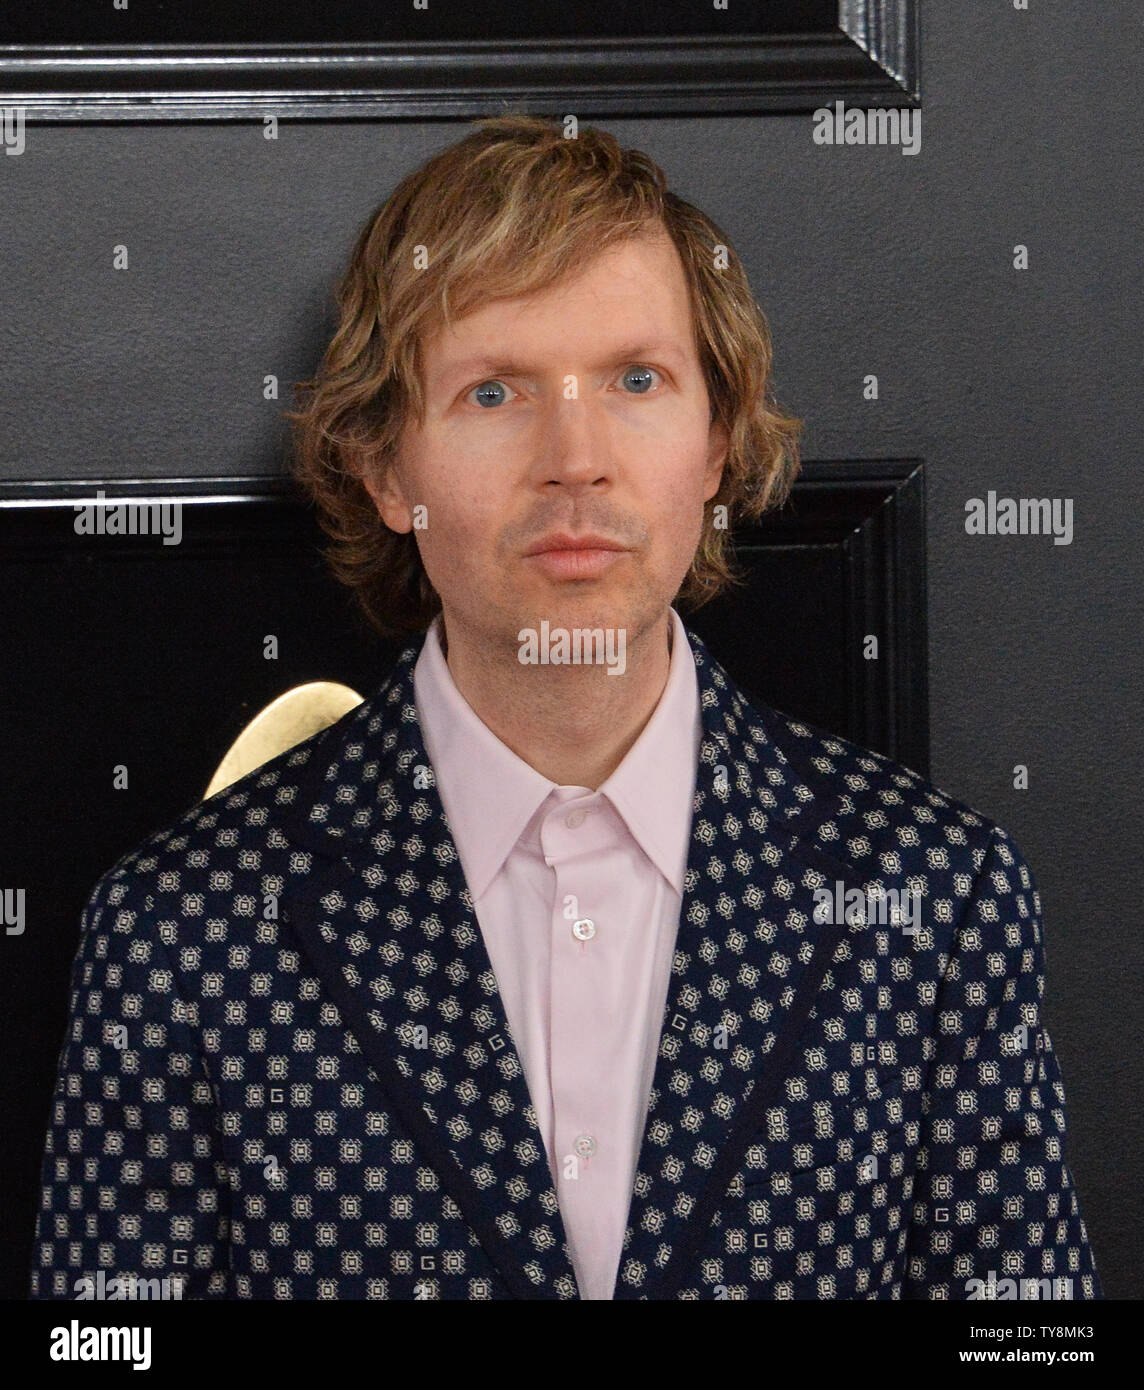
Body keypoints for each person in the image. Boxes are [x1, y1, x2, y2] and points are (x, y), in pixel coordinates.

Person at [30, 115, 1100, 1300]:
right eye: (494, 391)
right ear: (387, 469)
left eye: (637, 380)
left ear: (716, 443)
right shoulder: (176, 934)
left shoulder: (940, 897)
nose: (575, 456)